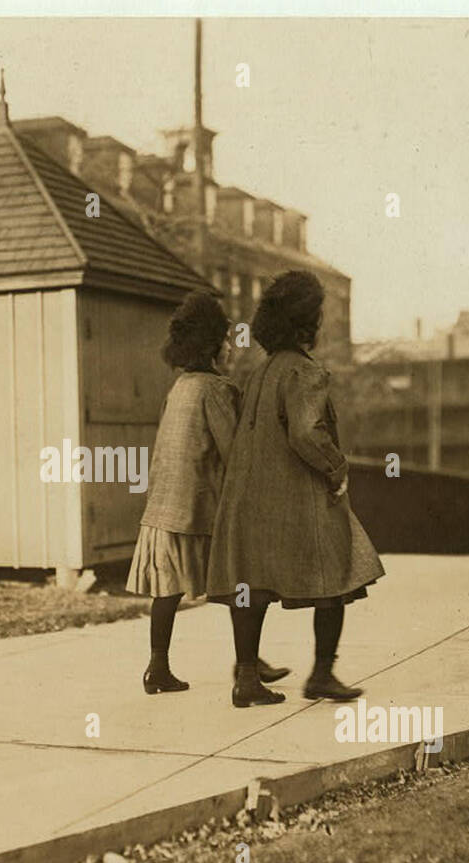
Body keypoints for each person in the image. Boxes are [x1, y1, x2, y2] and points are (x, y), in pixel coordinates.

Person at [207, 271, 384, 708]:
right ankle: (322, 674)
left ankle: (246, 678)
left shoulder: (259, 372)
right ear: (308, 323)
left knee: (250, 585)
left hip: (249, 500)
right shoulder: (305, 373)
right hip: (295, 499)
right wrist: (336, 468)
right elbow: (306, 433)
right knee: (339, 571)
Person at [128, 290, 289, 695]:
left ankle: (157, 668)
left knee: (166, 590)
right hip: (201, 508)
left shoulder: (180, 386)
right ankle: (247, 673)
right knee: (244, 582)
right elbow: (234, 450)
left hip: (163, 507)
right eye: (228, 343)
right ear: (214, 348)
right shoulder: (217, 389)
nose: (232, 351)